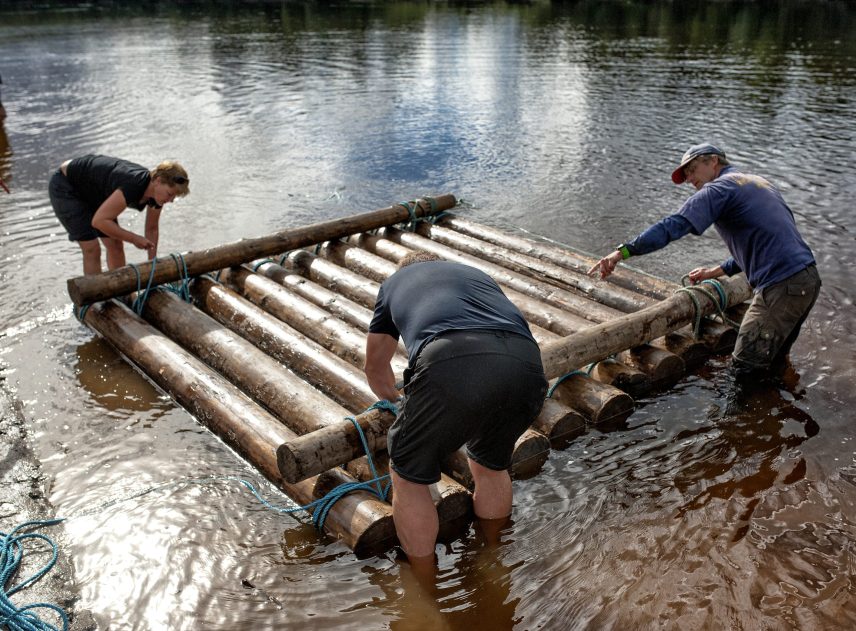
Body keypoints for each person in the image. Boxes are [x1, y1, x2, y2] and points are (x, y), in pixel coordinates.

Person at [364, 252, 547, 564]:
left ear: (405, 269)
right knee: (491, 466)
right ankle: (493, 558)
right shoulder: (475, 274)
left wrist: (397, 404)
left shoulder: (393, 283)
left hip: (451, 358)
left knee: (407, 473)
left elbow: (375, 367)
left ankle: (424, 582)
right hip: (526, 363)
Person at [588, 143, 821, 379]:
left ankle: (751, 402)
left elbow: (673, 226)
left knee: (743, 368)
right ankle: (785, 397)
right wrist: (714, 272)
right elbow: (763, 243)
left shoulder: (718, 189)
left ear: (713, 161)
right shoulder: (757, 183)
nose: (689, 179)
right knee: (774, 362)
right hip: (807, 280)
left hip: (781, 287)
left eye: (692, 169)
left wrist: (623, 252)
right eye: (686, 175)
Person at [49, 154, 189, 274]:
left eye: (174, 197)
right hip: (67, 185)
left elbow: (151, 228)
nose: (171, 200)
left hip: (95, 191)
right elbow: (99, 222)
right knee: (91, 248)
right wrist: (134, 238)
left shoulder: (158, 196)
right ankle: (94, 296)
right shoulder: (133, 184)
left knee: (115, 244)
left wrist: (152, 264)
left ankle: (121, 292)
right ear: (158, 181)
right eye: (169, 194)